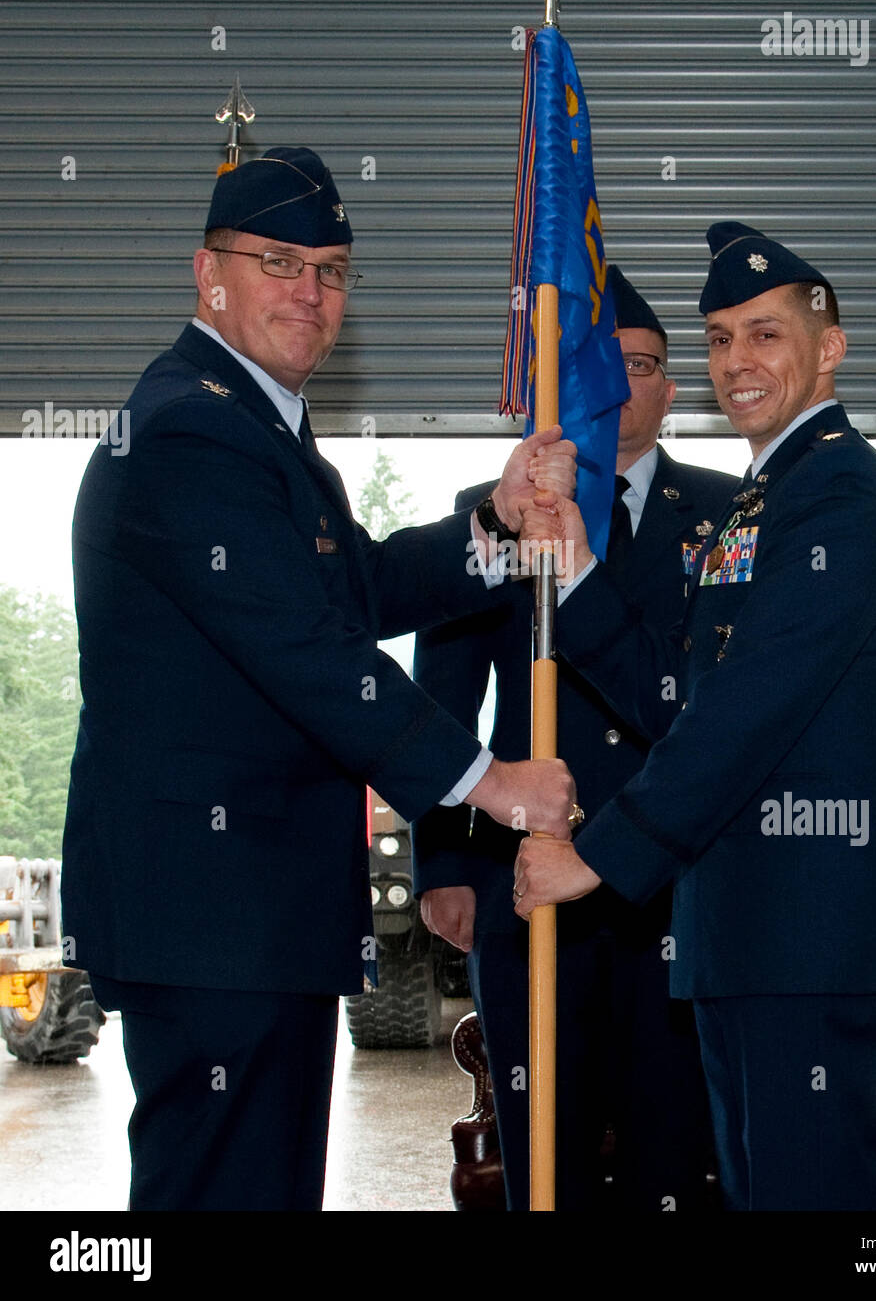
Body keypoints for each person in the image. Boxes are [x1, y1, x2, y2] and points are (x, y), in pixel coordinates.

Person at [60, 146, 577, 1211]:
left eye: (332, 270)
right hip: (214, 910)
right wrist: (489, 780)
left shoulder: (259, 428)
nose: (311, 291)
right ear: (208, 272)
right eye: (279, 261)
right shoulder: (191, 428)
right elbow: (305, 650)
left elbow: (358, 588)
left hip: (250, 910)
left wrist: (491, 515)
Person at [514, 222, 876, 1211]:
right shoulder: (760, 504)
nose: (733, 362)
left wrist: (597, 856)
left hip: (805, 920)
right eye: (716, 340)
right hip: (742, 924)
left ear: (827, 346)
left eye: (762, 334)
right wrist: (575, 565)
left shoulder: (843, 497)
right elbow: (682, 693)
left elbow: (750, 708)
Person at [413, 266, 738, 1211]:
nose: (620, 386)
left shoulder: (721, 517)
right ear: (566, 384)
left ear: (671, 391)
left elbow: (723, 707)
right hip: (527, 884)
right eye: (602, 366)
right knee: (542, 1158)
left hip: (667, 885)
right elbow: (444, 694)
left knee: (670, 1152)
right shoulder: (502, 508)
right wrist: (443, 862)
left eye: (643, 366)